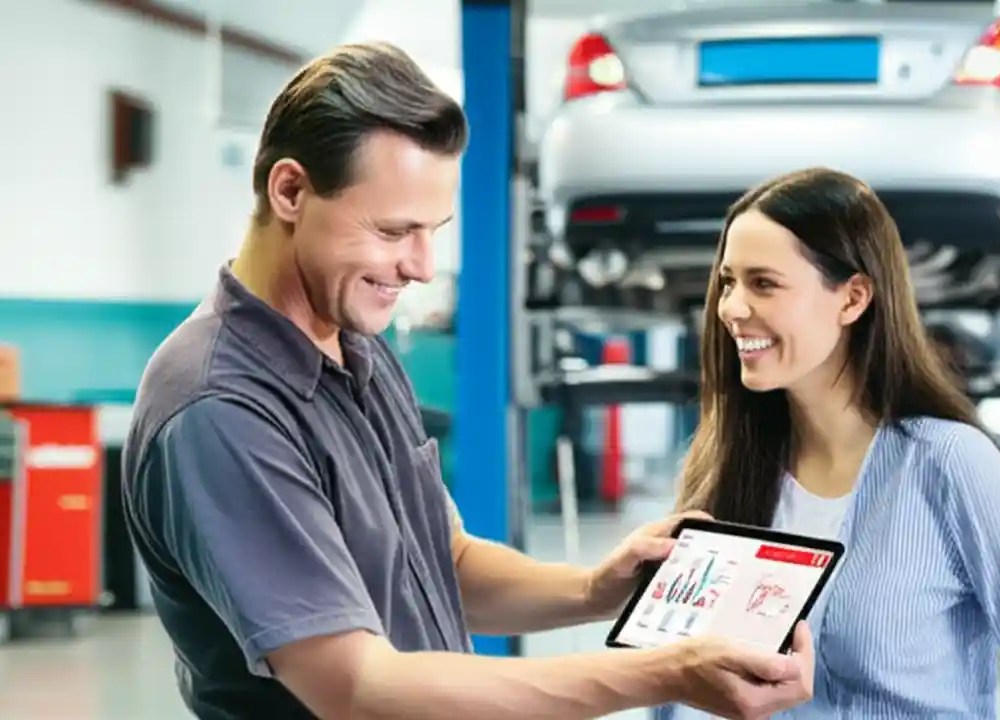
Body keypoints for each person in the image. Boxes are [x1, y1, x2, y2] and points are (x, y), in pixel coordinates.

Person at [120, 41, 814, 720]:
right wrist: (661, 673)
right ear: (291, 190)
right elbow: (357, 689)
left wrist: (596, 588)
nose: (421, 266)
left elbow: (442, 561)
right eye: (395, 232)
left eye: (433, 231)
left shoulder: (357, 345)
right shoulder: (220, 410)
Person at [656, 168, 1000, 719]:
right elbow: (679, 690)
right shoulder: (722, 466)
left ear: (853, 298)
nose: (731, 308)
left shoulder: (947, 463)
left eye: (764, 283)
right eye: (728, 281)